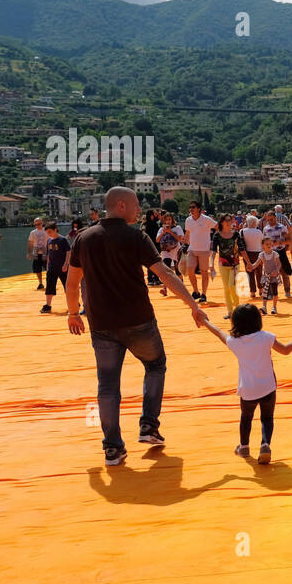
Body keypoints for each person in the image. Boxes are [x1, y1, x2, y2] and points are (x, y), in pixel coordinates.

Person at [66, 186, 205, 467]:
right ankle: (148, 427)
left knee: (107, 385)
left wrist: (72, 313)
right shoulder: (136, 237)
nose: (140, 210)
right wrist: (193, 304)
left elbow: (72, 281)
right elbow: (164, 273)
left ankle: (113, 448)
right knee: (155, 365)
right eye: (136, 205)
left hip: (102, 324)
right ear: (121, 205)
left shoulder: (84, 238)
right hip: (138, 320)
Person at [197, 303, 292, 464]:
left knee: (246, 417)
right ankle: (265, 445)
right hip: (268, 387)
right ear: (257, 321)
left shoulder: (234, 342)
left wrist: (204, 320)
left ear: (236, 323)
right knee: (267, 418)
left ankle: (244, 446)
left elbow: (219, 332)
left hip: (247, 390)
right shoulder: (266, 337)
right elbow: (286, 350)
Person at [182, 201, 218, 303]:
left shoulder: (206, 219)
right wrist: (184, 241)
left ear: (199, 209)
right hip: (192, 249)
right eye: (190, 207)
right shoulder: (188, 220)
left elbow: (217, 227)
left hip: (204, 250)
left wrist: (218, 239)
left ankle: (204, 294)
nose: (191, 209)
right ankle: (196, 291)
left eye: (193, 207)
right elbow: (188, 233)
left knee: (204, 272)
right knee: (190, 270)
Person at [211, 213, 242, 320]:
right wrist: (211, 264)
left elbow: (242, 249)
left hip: (235, 264)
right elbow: (214, 250)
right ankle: (230, 312)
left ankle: (238, 309)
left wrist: (249, 263)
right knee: (226, 288)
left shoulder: (236, 234)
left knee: (232, 286)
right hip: (223, 264)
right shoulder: (217, 235)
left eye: (230, 220)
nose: (229, 222)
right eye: (227, 220)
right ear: (222, 222)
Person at [39, 221, 70, 313]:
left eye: (50, 232)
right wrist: (48, 265)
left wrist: (66, 264)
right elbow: (49, 254)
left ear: (55, 229)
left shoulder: (62, 240)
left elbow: (69, 252)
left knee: (67, 287)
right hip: (52, 268)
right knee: (50, 286)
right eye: (47, 233)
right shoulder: (49, 240)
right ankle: (48, 305)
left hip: (62, 267)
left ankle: (73, 303)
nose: (48, 234)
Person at [262, 210, 292, 298]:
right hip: (270, 254)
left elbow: (289, 240)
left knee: (284, 273)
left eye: (271, 219)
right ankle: (272, 293)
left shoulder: (282, 227)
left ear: (275, 217)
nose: (270, 221)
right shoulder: (265, 229)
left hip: (280, 253)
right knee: (270, 274)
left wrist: (279, 243)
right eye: (268, 220)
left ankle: (287, 291)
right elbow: (263, 242)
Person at [155, 213, 184, 297]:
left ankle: (181, 288)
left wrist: (170, 232)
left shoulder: (177, 228)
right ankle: (164, 289)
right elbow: (157, 240)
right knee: (166, 270)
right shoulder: (161, 229)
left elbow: (180, 239)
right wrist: (163, 233)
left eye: (169, 219)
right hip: (166, 252)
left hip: (176, 250)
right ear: (163, 221)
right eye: (166, 220)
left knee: (178, 270)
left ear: (172, 220)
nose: (168, 221)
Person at [240, 214, 265, 301]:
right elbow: (262, 242)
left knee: (250, 272)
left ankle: (252, 291)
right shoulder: (259, 232)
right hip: (258, 252)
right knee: (259, 272)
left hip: (247, 253)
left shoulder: (242, 231)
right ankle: (261, 289)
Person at [257, 236, 282, 315]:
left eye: (270, 244)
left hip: (274, 276)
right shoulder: (261, 255)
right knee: (265, 291)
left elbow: (279, 264)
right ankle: (264, 307)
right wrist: (251, 266)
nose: (268, 245)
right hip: (266, 276)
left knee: (275, 291)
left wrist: (276, 270)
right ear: (263, 245)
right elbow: (257, 263)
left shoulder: (275, 254)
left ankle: (274, 307)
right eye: (266, 244)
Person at [141, 209, 163, 286]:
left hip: (154, 246)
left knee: (155, 263)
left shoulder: (154, 223)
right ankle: (151, 279)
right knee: (151, 263)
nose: (156, 215)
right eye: (154, 214)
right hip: (150, 246)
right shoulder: (147, 224)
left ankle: (155, 279)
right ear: (151, 215)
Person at [27, 217, 48, 290]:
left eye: (38, 224)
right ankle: (40, 283)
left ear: (42, 223)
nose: (37, 226)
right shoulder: (32, 232)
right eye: (35, 224)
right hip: (36, 253)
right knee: (37, 269)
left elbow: (51, 241)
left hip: (46, 252)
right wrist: (29, 253)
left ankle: (49, 282)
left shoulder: (47, 231)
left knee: (48, 268)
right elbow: (30, 243)